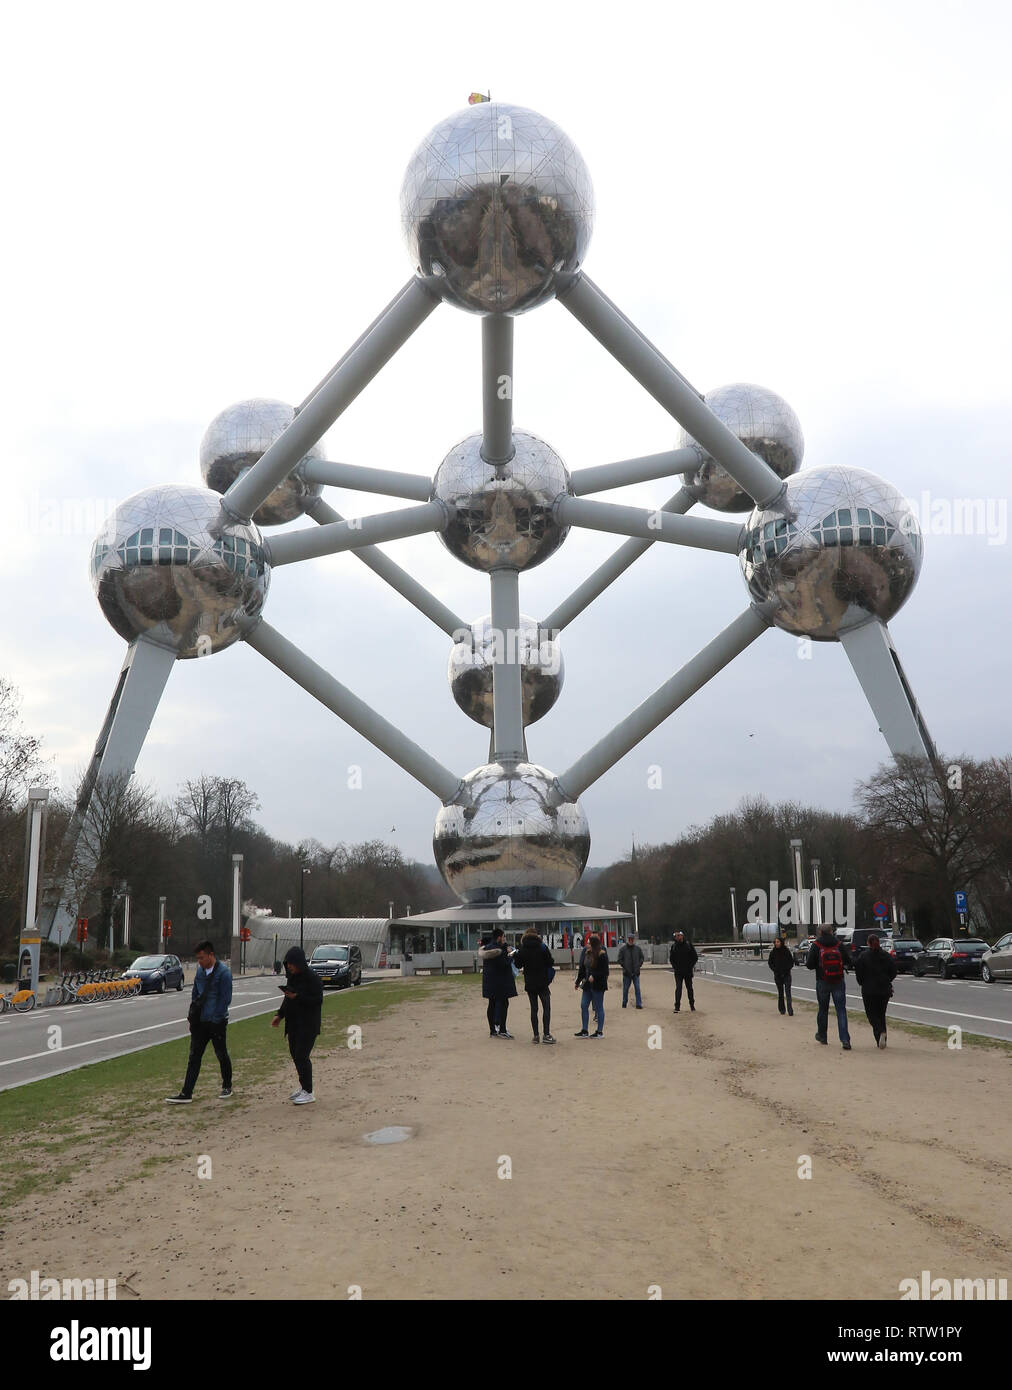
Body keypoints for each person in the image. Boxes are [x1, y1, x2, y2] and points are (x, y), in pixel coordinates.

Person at [166, 940, 233, 1103]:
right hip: (200, 1022)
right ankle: (186, 1092)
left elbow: (225, 999)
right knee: (194, 1056)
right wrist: (194, 1014)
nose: (200, 961)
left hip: (216, 1022)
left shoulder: (224, 973)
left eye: (202, 958)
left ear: (211, 955)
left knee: (221, 1054)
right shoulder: (200, 972)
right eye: (198, 958)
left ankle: (227, 1085)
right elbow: (196, 993)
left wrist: (216, 1019)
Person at [271, 945, 324, 1102]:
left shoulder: (312, 978)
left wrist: (298, 997)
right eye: (287, 964)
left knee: (302, 1056)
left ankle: (309, 1092)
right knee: (295, 1055)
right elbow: (288, 999)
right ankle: (303, 1087)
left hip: (308, 1024)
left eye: (292, 964)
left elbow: (317, 1000)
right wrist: (279, 1015)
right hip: (293, 1023)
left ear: (299, 963)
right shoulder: (292, 978)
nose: (289, 967)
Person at [806, 926, 854, 1049]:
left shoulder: (816, 945)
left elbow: (809, 965)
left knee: (823, 1009)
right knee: (841, 1010)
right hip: (838, 980)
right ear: (832, 932)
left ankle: (823, 1036)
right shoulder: (838, 944)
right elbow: (848, 960)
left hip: (822, 980)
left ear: (820, 932)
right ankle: (845, 1040)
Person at [511, 927, 556, 1043]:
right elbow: (550, 962)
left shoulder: (522, 948)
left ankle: (536, 1036)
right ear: (536, 935)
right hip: (542, 981)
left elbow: (518, 965)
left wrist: (516, 956)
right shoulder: (542, 947)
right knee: (546, 1008)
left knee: (534, 1009)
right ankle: (546, 1034)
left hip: (530, 982)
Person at [854, 933, 898, 1049]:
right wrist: (888, 980)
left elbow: (859, 973)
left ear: (868, 943)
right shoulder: (886, 956)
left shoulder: (863, 957)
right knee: (881, 1013)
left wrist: (862, 982)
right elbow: (893, 970)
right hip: (884, 989)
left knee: (871, 1014)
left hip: (869, 989)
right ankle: (882, 1037)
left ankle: (879, 1032)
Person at [478, 928, 517, 1038]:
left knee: (492, 1004)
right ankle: (502, 1029)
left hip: (490, 981)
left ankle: (493, 1030)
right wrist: (511, 954)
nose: (505, 939)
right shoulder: (498, 949)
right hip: (500, 982)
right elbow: (504, 963)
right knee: (504, 1003)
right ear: (499, 937)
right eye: (504, 936)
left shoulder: (488, 948)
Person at [574, 933, 609, 1037]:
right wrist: (577, 982)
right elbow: (582, 969)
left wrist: (595, 976)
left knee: (599, 1007)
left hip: (598, 985)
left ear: (594, 944)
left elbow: (605, 971)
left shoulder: (602, 954)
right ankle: (584, 1030)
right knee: (583, 1005)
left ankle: (599, 1032)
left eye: (589, 943)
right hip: (587, 985)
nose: (587, 944)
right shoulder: (586, 953)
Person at [669, 931, 698, 1013]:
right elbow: (671, 959)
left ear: (682, 936)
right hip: (678, 972)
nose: (677, 937)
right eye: (676, 936)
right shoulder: (674, 946)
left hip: (688, 971)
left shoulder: (688, 945)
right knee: (678, 988)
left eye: (679, 935)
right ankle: (677, 1006)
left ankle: (692, 1006)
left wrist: (690, 966)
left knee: (689, 989)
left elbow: (695, 957)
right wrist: (675, 967)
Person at [767, 935, 795, 1016]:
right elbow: (770, 963)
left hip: (787, 975)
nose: (776, 943)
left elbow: (791, 961)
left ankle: (790, 1010)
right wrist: (775, 970)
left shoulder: (786, 951)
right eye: (775, 942)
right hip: (778, 975)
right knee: (781, 993)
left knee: (788, 992)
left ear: (781, 942)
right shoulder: (773, 952)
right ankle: (782, 1009)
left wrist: (787, 969)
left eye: (778, 942)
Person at [617, 933, 645, 1009]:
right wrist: (624, 966)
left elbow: (642, 958)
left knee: (637, 988)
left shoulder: (638, 949)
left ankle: (639, 1004)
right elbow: (619, 959)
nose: (631, 940)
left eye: (632, 939)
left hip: (636, 972)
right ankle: (624, 1002)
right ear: (627, 939)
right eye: (629, 939)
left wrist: (639, 965)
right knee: (625, 989)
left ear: (634, 940)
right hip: (627, 973)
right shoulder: (623, 949)